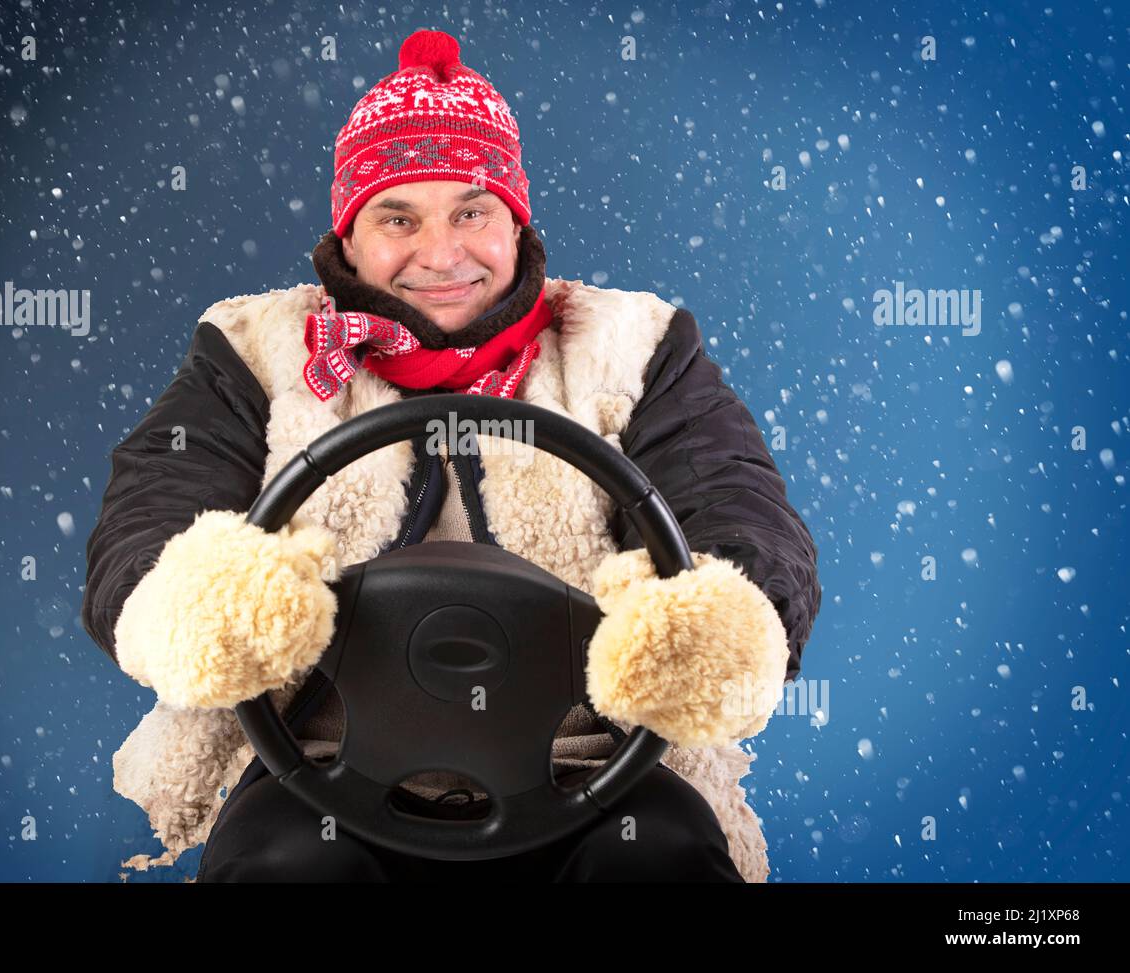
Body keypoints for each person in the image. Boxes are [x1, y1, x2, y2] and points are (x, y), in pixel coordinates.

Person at [82, 28, 821, 882]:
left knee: (661, 858)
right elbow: (153, 508)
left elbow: (732, 499)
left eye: (471, 211)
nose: (442, 254)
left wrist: (727, 609)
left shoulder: (635, 345)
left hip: (588, 773)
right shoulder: (254, 350)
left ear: (515, 220)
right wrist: (186, 599)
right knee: (282, 869)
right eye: (399, 218)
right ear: (351, 237)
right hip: (321, 776)